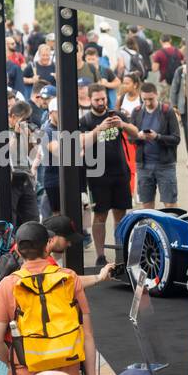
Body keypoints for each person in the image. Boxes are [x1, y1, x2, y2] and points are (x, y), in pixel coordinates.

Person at [0, 221, 99, 375]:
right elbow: (87, 335)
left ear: (18, 250)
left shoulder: (8, 285)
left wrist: (14, 363)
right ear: (48, 245)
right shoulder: (69, 279)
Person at [78, 88, 136, 268]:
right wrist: (99, 129)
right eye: (97, 99)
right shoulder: (85, 120)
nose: (101, 102)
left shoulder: (116, 115)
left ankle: (121, 252)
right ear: (90, 99)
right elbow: (82, 141)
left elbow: (136, 133)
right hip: (97, 175)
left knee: (120, 214)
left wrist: (123, 125)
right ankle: (100, 255)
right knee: (100, 215)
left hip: (120, 172)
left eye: (103, 98)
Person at [132, 82, 181, 209]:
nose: (147, 102)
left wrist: (157, 137)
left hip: (165, 165)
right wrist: (139, 136)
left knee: (170, 205)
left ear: (157, 95)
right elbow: (130, 138)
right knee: (147, 206)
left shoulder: (167, 111)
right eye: (144, 99)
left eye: (151, 99)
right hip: (143, 166)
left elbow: (176, 138)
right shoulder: (137, 112)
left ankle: (170, 229)